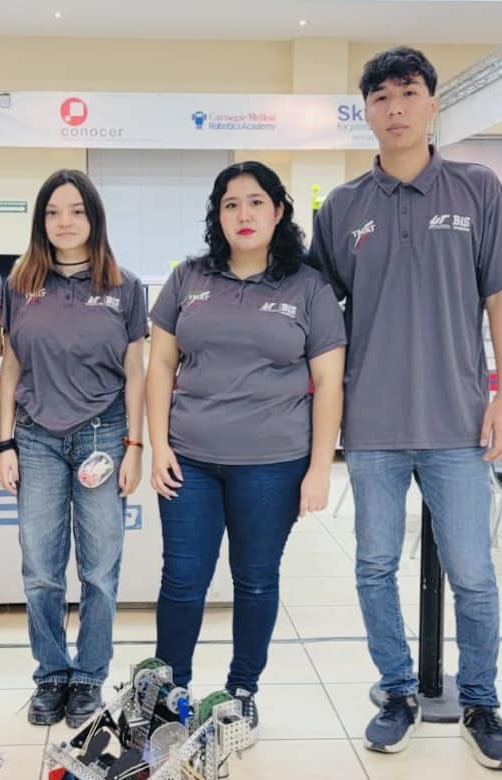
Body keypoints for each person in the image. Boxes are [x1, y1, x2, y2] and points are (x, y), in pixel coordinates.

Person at [311, 46, 502, 770]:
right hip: (370, 424)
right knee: (373, 566)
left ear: (432, 104)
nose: (394, 108)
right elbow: (318, 320)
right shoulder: (343, 208)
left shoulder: (476, 190)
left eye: (407, 93)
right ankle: (397, 692)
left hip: (457, 424)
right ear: (365, 113)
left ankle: (480, 700)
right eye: (379, 98)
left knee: (473, 571)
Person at [147, 161, 346, 747]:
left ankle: (241, 692)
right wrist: (159, 444)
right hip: (191, 458)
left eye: (256, 202)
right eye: (230, 204)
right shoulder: (188, 277)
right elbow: (160, 365)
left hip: (274, 462)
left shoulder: (307, 288)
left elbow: (329, 383)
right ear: (218, 215)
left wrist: (319, 468)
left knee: (255, 580)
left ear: (278, 211)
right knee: (183, 580)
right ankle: (170, 693)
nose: (243, 215)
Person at [0, 169, 147, 728]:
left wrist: (135, 444)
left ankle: (89, 676)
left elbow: (136, 371)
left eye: (76, 211)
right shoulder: (18, 285)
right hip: (34, 436)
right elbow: (10, 365)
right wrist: (4, 441)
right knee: (40, 567)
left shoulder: (125, 287)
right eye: (54, 211)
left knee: (101, 569)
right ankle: (52, 673)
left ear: (94, 218)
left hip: (103, 436)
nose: (65, 222)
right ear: (41, 221)